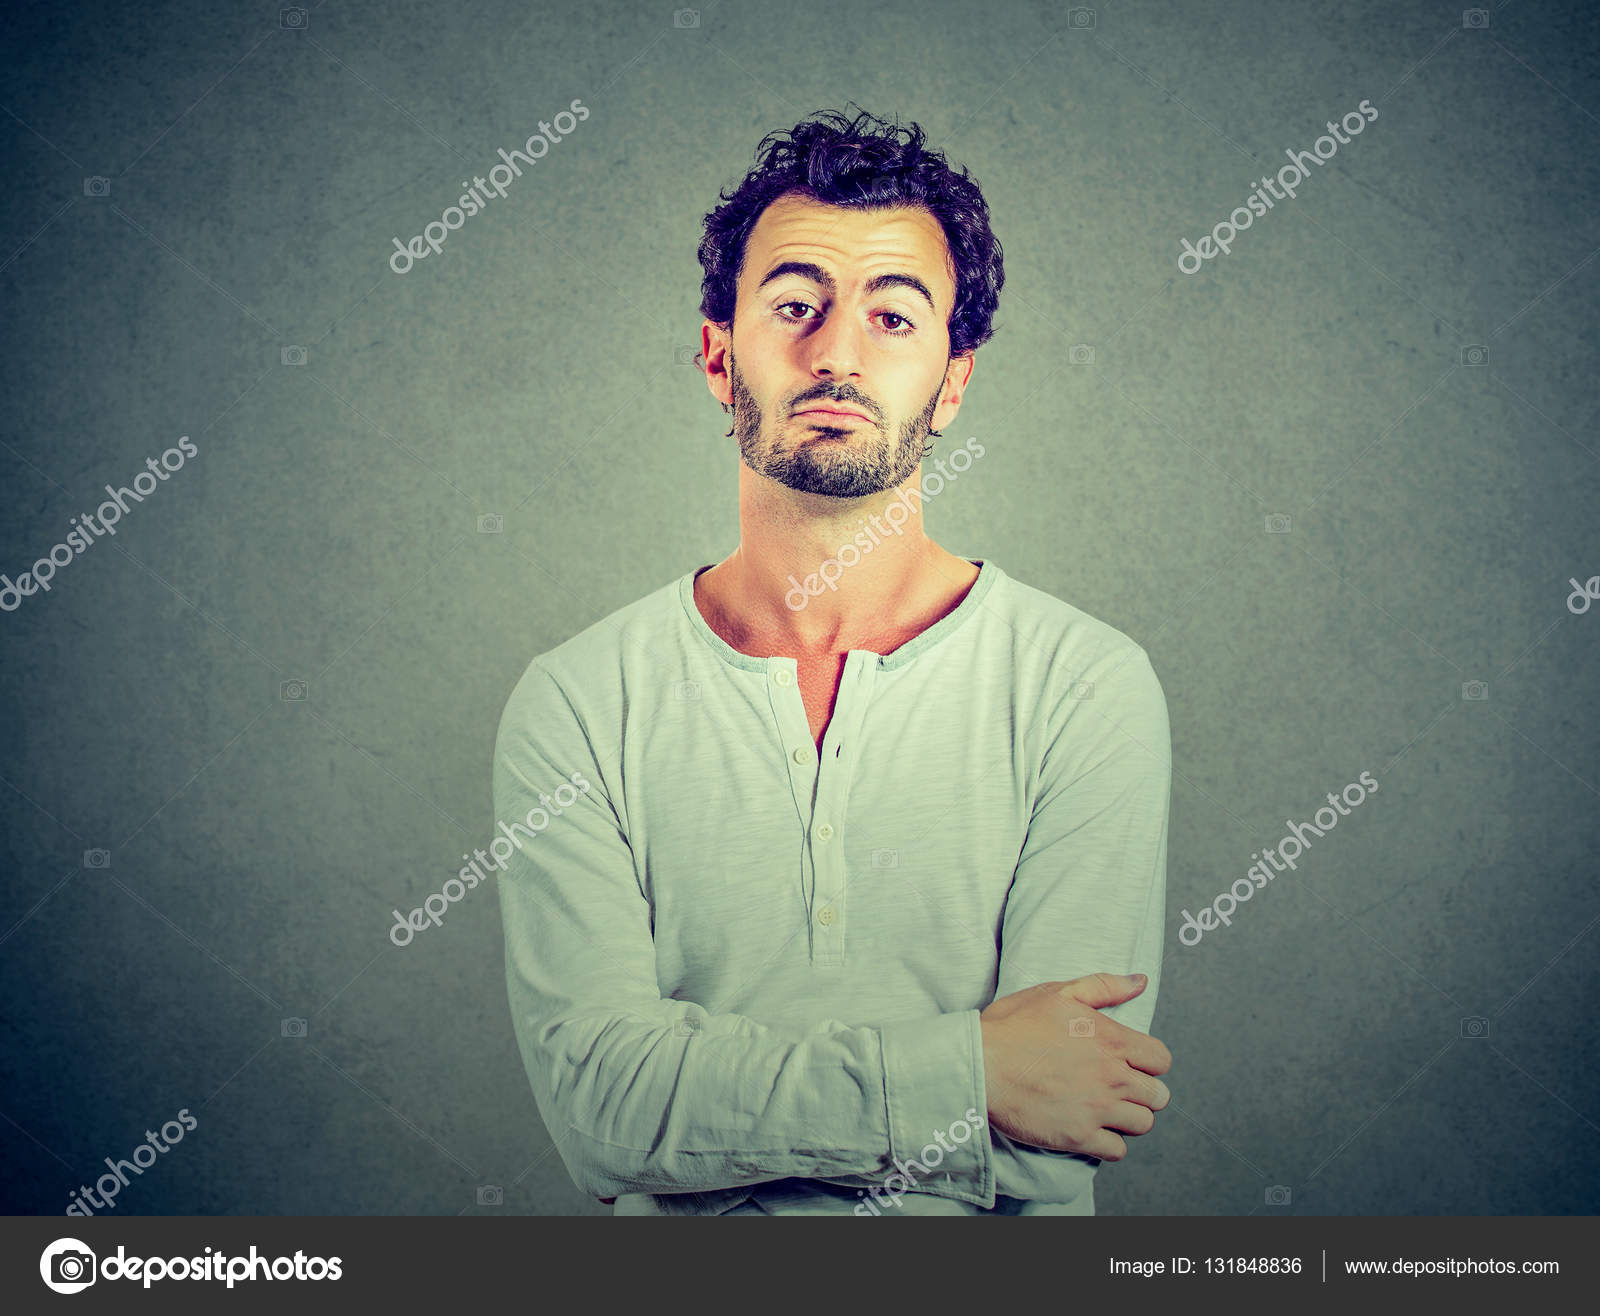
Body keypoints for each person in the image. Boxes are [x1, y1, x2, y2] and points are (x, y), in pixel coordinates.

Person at [494, 107, 1173, 1216]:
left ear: (952, 383)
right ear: (722, 357)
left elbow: (1064, 1126)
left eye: (894, 316)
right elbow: (602, 1115)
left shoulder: (1084, 685)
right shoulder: (575, 702)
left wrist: (710, 1110)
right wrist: (973, 1076)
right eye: (795, 304)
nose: (838, 352)